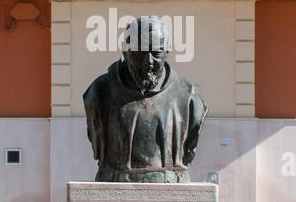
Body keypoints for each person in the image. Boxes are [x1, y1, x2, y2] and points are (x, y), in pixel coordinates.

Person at [82, 15, 208, 183]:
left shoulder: (188, 98)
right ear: (125, 52)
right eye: (139, 53)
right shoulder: (99, 93)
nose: (148, 61)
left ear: (167, 52)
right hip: (115, 189)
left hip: (171, 190)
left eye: (156, 53)